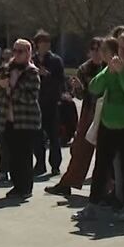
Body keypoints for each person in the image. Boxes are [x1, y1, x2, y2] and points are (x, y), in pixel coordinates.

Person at [75, 30, 124, 223]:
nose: (123, 52)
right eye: (120, 47)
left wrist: (121, 73)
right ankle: (93, 204)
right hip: (108, 123)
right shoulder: (111, 66)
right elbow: (94, 87)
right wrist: (109, 71)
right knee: (101, 166)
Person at [45, 38, 105, 196]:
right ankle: (67, 183)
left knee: (106, 152)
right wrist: (78, 88)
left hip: (106, 111)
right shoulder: (84, 68)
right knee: (79, 148)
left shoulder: (109, 67)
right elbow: (81, 96)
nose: (97, 53)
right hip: (89, 110)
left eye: (100, 49)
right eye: (94, 49)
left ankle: (108, 189)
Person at [0, 39, 41, 199]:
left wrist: (11, 88)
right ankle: (16, 185)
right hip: (8, 119)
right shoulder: (6, 69)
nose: (16, 54)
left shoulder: (32, 72)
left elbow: (31, 96)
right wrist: (1, 85)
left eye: (20, 51)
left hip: (26, 120)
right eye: (14, 50)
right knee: (12, 155)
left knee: (24, 155)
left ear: (28, 53)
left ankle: (25, 187)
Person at [32, 30, 66, 176]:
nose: (45, 45)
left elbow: (61, 81)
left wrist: (47, 75)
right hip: (36, 102)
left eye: (47, 42)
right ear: (37, 45)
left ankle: (55, 165)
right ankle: (40, 164)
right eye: (42, 42)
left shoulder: (55, 60)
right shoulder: (32, 60)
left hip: (52, 102)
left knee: (54, 137)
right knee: (37, 136)